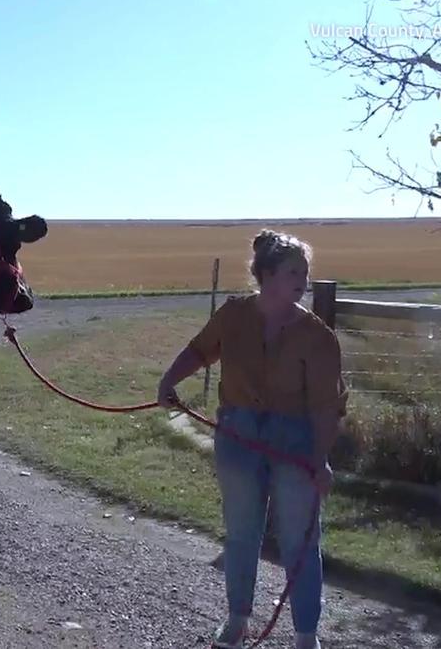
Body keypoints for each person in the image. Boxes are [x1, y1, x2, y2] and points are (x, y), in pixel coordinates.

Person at [156, 229, 347, 649]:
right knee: (242, 533)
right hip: (238, 434)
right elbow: (200, 350)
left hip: (294, 441)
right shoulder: (233, 315)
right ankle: (237, 621)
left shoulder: (317, 337)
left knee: (301, 540)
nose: (303, 279)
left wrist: (320, 460)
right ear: (266, 275)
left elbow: (326, 407)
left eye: (305, 271)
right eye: (292, 271)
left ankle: (306, 636)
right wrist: (170, 380)